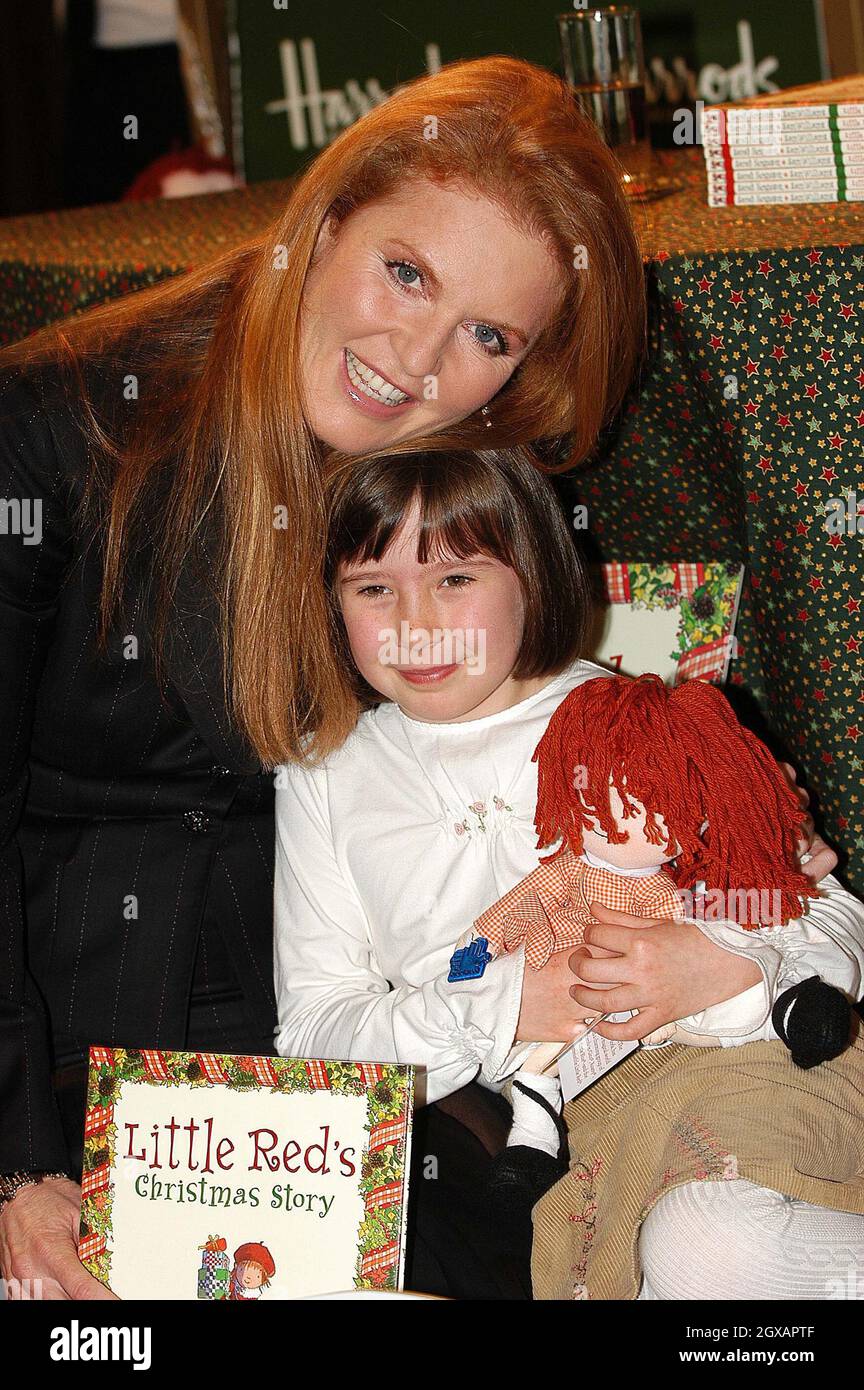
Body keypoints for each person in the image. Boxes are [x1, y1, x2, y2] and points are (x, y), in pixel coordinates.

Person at [0, 53, 650, 1300]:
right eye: (406, 272)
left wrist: (717, 829)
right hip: (62, 1032)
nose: (415, 355)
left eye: (487, 335)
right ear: (328, 212)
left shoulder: (458, 472)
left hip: (358, 1019)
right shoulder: (55, 426)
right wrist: (16, 1165)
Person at [272, 445, 864, 1299]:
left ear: (534, 576)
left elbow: (835, 921)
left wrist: (723, 960)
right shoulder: (322, 775)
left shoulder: (634, 718)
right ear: (332, 605)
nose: (415, 624)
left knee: (707, 1246)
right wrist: (504, 1001)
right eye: (373, 589)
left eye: (456, 580)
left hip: (750, 1064)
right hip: (548, 1132)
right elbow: (318, 1037)